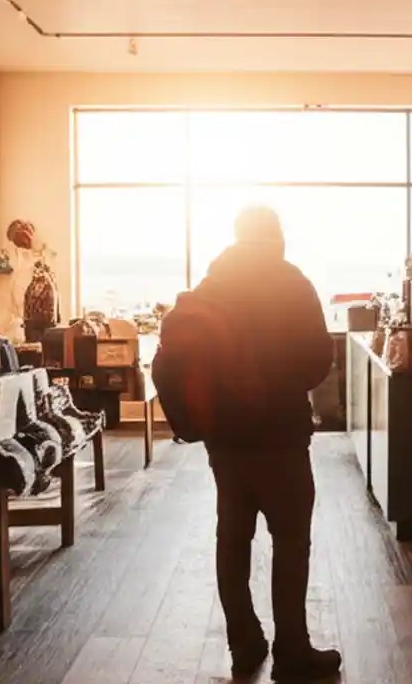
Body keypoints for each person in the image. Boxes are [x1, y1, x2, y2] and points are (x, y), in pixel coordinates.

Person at [153, 206, 340, 680]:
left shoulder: (212, 284)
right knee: (291, 540)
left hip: (226, 441)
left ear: (237, 236)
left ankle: (244, 642)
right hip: (280, 434)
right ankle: (292, 650)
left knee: (232, 539)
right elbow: (319, 359)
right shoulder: (292, 283)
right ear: (276, 235)